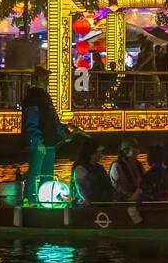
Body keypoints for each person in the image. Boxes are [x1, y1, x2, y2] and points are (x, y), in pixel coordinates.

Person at [20, 69, 71, 202]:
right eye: (44, 78)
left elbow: (54, 120)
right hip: (41, 144)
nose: (47, 80)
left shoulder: (45, 97)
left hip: (49, 142)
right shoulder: (33, 97)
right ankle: (30, 200)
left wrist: (63, 133)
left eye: (47, 78)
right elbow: (31, 122)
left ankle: (45, 200)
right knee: (35, 173)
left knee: (47, 174)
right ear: (36, 79)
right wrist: (38, 141)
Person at [71, 137, 117, 203]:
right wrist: (86, 200)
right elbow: (79, 186)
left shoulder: (100, 168)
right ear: (91, 153)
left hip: (103, 203)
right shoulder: (80, 168)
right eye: (98, 152)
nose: (100, 155)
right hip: (88, 206)